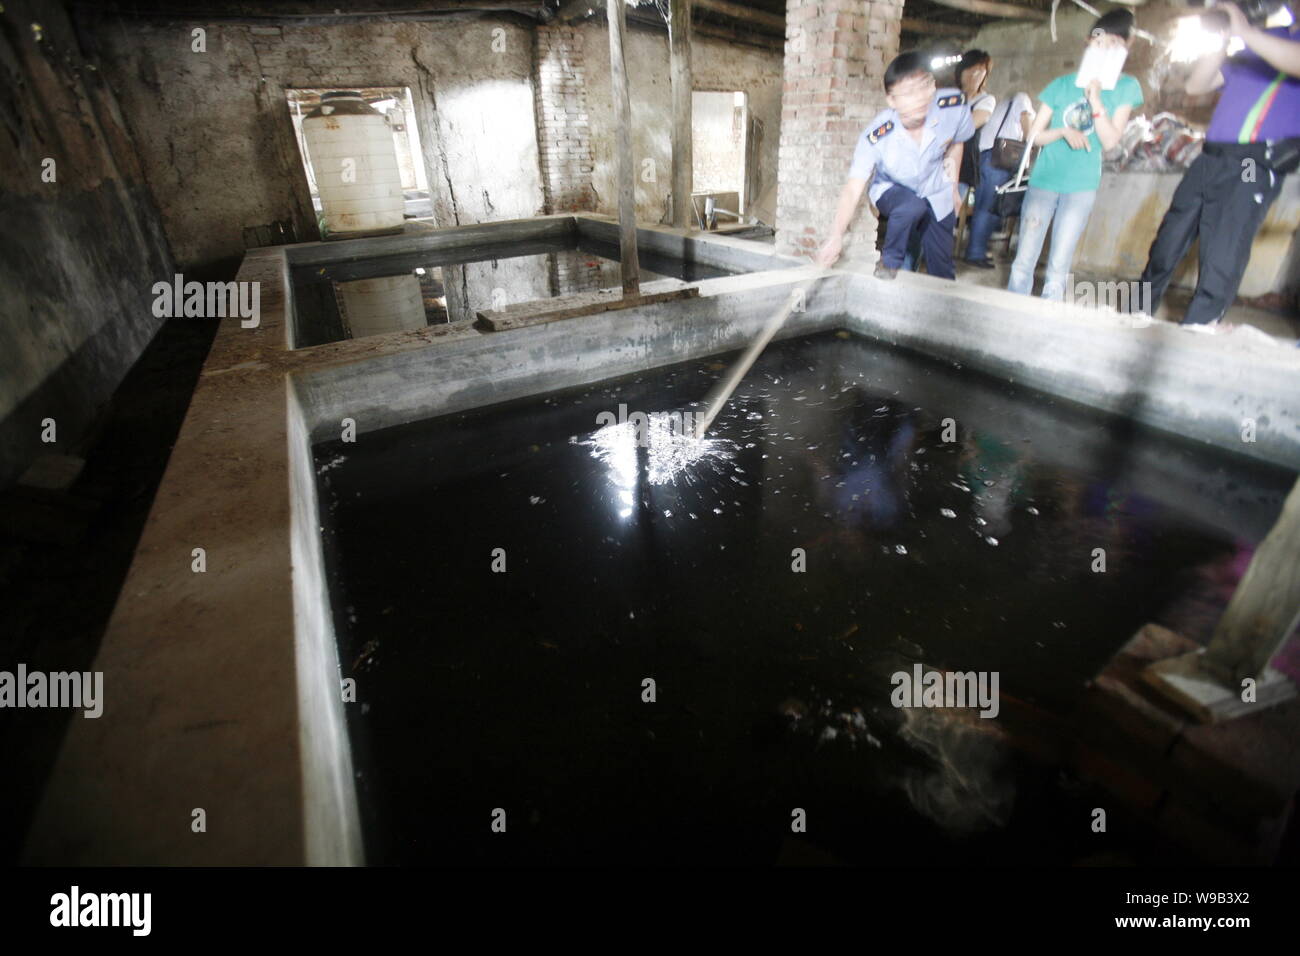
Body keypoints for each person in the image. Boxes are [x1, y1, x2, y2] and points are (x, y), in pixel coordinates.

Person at [1139, 1, 1300, 330]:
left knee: (1225, 243)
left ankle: (1200, 326)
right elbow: (1196, 85)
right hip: (1210, 156)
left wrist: (1245, 30)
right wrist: (1224, 35)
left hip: (1252, 162)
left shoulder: (1273, 43)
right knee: (1168, 241)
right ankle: (1132, 312)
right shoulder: (1267, 36)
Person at [1007, 10, 1143, 301]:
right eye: (1101, 42)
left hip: (1081, 187)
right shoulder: (1062, 84)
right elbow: (1034, 135)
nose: (1107, 50)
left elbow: (1109, 141)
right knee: (1024, 260)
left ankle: (1045, 325)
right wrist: (1061, 133)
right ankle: (1011, 316)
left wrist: (1095, 100)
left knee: (1059, 265)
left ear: (1126, 48)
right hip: (1044, 180)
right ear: (1088, 42)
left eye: (1116, 44)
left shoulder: (1126, 87)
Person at [815, 51, 975, 280]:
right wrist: (836, 236)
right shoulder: (877, 135)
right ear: (891, 100)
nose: (920, 98)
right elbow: (853, 188)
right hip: (892, 189)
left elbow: (956, 142)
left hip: (935, 189)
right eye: (909, 92)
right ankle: (889, 263)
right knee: (911, 208)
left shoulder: (953, 106)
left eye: (925, 86)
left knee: (942, 269)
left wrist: (952, 186)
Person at [963, 90, 1035, 268]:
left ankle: (976, 249)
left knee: (984, 206)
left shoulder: (1003, 102)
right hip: (999, 159)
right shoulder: (1022, 98)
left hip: (986, 157)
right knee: (989, 208)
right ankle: (975, 253)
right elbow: (1029, 133)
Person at [955, 50, 996, 203]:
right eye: (970, 70)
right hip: (939, 161)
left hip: (963, 163)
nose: (974, 76)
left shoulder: (986, 100)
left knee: (948, 214)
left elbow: (968, 127)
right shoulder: (951, 96)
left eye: (980, 72)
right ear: (960, 71)